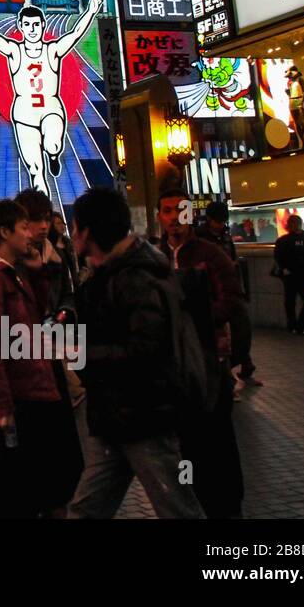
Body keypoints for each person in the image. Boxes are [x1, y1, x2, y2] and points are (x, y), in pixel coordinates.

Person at [67, 187, 206, 518]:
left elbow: (146, 350)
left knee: (176, 506)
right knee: (87, 509)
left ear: (88, 232)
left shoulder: (135, 278)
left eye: (74, 227)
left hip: (145, 415)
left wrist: (83, 354)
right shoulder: (114, 273)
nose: (71, 235)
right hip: (116, 416)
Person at [0, 200, 82, 518]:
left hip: (38, 388)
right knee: (18, 491)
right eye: (24, 227)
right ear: (4, 232)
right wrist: (1, 408)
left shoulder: (12, 273)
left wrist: (36, 271)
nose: (32, 233)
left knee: (49, 482)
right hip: (21, 398)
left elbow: (36, 315)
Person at [0, 0, 104, 194]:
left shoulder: (53, 50)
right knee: (34, 169)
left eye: (35, 25)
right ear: (21, 28)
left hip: (51, 108)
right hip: (24, 114)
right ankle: (43, 212)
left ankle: (53, 156)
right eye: (27, 25)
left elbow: (76, 33)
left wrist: (92, 11)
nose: (32, 29)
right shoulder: (14, 50)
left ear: (42, 25)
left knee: (52, 145)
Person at [156, 188, 245, 519]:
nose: (174, 218)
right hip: (172, 369)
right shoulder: (155, 257)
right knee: (183, 445)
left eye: (180, 210)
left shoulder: (210, 254)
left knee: (217, 442)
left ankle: (226, 505)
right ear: (159, 216)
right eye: (167, 211)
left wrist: (201, 323)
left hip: (208, 363)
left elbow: (233, 300)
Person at [200, 201, 259, 389]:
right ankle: (230, 373)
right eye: (218, 221)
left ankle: (241, 365)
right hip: (214, 293)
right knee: (222, 336)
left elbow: (232, 258)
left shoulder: (225, 235)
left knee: (242, 330)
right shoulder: (201, 238)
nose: (221, 224)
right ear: (210, 219)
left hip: (230, 290)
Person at [274, 214, 304, 334]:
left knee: (290, 301)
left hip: (289, 276)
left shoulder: (282, 241)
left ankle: (292, 325)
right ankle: (302, 324)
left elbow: (278, 258)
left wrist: (284, 268)